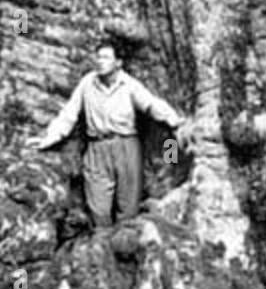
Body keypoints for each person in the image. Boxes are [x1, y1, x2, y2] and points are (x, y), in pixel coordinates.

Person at [26, 41, 192, 228]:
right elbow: (68, 114)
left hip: (126, 147)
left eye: (106, 57)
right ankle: (101, 246)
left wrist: (176, 122)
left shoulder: (128, 84)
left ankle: (124, 248)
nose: (100, 62)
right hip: (97, 148)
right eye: (98, 57)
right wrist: (47, 139)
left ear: (118, 63)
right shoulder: (87, 83)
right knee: (99, 210)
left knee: (128, 209)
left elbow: (151, 105)